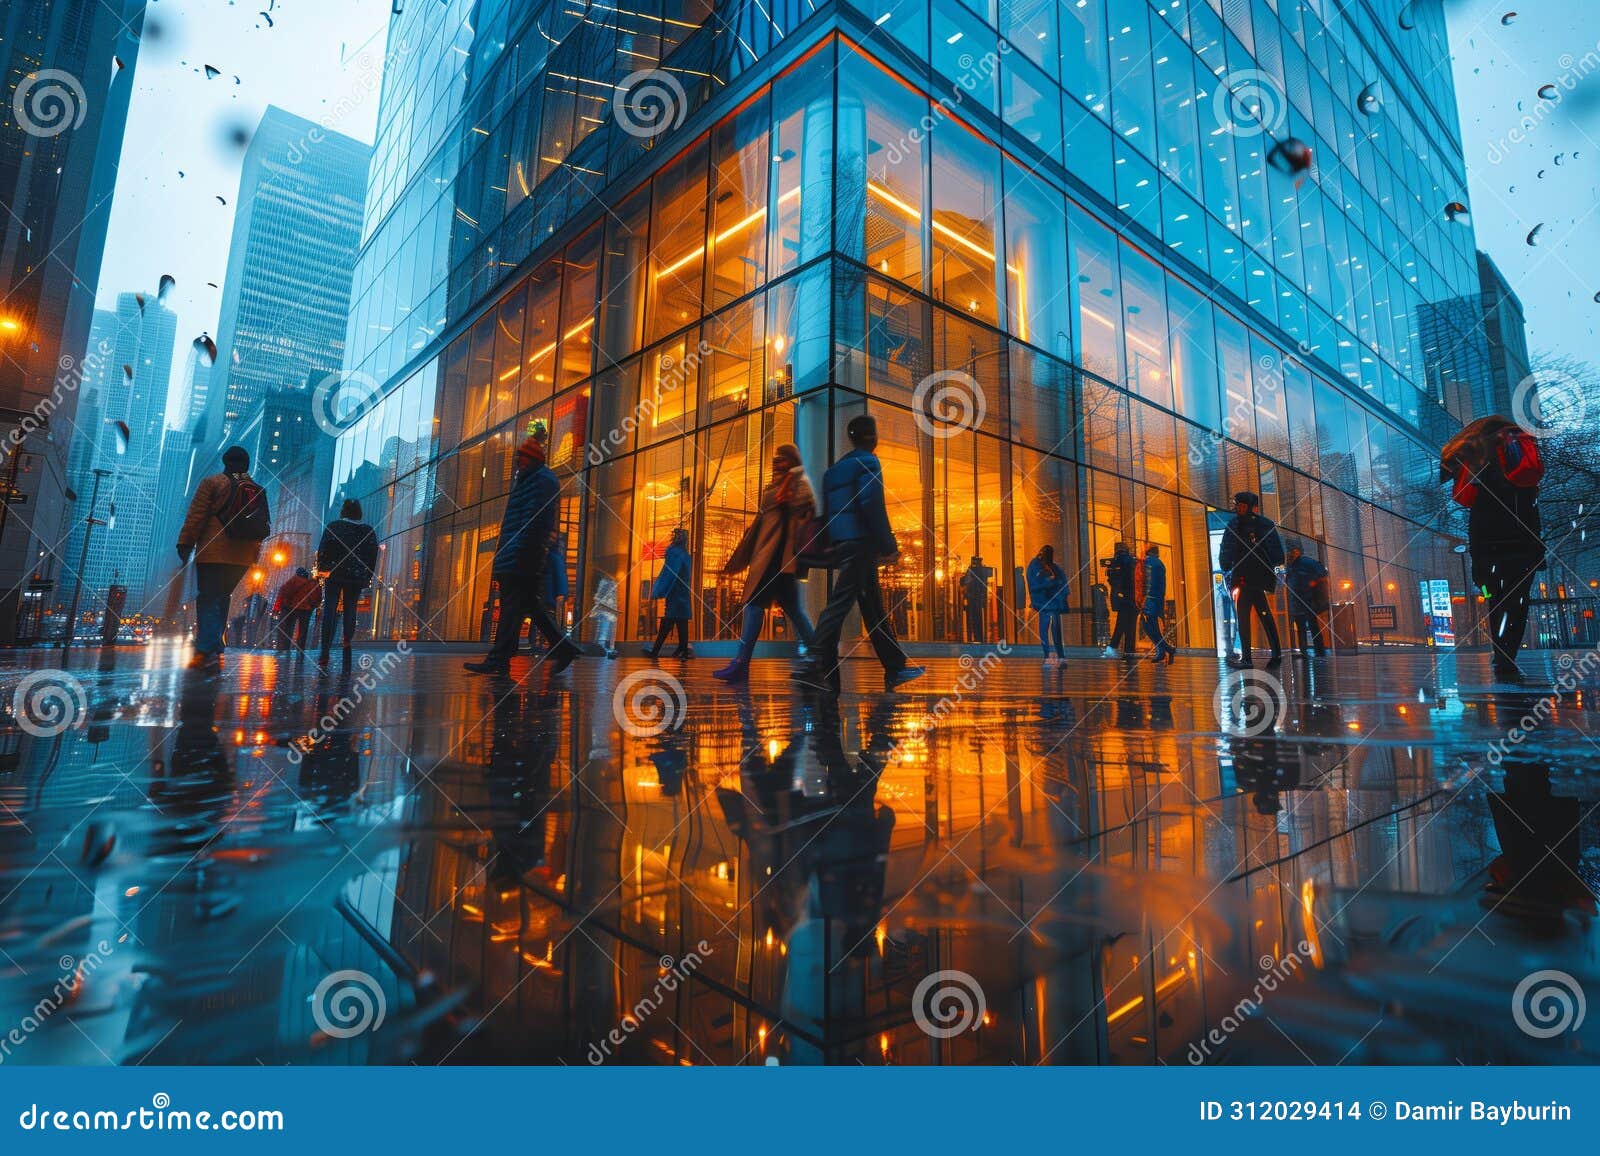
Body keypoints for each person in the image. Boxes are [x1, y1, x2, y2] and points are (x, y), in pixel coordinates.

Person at [796, 414, 924, 693]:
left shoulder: (833, 471)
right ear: (871, 436)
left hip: (845, 543)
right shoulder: (869, 463)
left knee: (873, 608)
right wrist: (889, 546)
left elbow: (830, 514)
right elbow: (872, 505)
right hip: (861, 545)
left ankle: (894, 668)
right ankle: (812, 661)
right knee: (840, 604)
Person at [465, 428, 580, 675]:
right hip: (518, 556)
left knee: (514, 607)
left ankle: (500, 659)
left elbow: (535, 522)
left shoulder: (541, 480)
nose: (518, 461)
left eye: (521, 457)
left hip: (523, 557)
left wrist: (521, 554)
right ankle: (561, 649)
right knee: (527, 607)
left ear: (531, 458)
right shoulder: (528, 480)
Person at [1441, 415, 1544, 683]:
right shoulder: (1519, 450)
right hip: (1521, 543)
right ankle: (1506, 657)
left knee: (1495, 599)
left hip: (1488, 546)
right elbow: (1531, 506)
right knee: (1517, 601)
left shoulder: (1474, 456)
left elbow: (1470, 505)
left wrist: (1477, 556)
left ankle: (1501, 656)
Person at [713, 443, 817, 681]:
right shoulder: (778, 486)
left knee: (754, 606)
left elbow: (800, 505)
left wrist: (795, 474)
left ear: (793, 461)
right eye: (776, 458)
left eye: (782, 458)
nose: (776, 462)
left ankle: (741, 664)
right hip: (773, 560)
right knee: (794, 611)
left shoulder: (798, 485)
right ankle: (820, 659)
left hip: (777, 560)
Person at [175, 445, 270, 670]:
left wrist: (185, 542)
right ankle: (215, 647)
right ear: (247, 465)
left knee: (208, 597)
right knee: (222, 596)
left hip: (214, 552)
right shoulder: (258, 489)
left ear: (225, 462)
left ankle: (206, 650)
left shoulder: (213, 483)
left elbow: (196, 515)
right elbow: (262, 525)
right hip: (242, 557)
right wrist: (254, 556)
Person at [1219, 491, 1285, 668]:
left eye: (1240, 505)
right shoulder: (1264, 524)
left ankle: (1248, 658)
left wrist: (1226, 565)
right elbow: (1277, 554)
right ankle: (1275, 654)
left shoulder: (1235, 525)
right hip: (1256, 576)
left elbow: (1227, 551)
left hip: (1245, 576)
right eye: (1237, 505)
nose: (1237, 508)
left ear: (1246, 506)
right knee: (1262, 614)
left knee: (1245, 616)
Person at [316, 499, 379, 668]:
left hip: (335, 573)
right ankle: (347, 642)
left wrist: (323, 568)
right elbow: (372, 555)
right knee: (351, 608)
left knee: (330, 608)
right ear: (359, 512)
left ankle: (325, 649)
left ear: (343, 511)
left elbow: (323, 549)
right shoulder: (367, 531)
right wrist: (368, 575)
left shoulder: (334, 526)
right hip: (356, 576)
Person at [646, 527, 694, 660]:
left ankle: (656, 651)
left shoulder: (673, 553)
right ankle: (682, 649)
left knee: (669, 620)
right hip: (682, 592)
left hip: (675, 592)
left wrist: (660, 590)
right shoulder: (685, 555)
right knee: (680, 620)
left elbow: (669, 573)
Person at [1283, 544, 1329, 657]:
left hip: (1305, 601)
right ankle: (1312, 650)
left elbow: (1322, 573)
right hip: (1300, 602)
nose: (1288, 555)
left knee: (1308, 626)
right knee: (1307, 627)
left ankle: (1314, 650)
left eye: (1290, 552)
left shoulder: (1303, 563)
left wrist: (1314, 584)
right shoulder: (1294, 565)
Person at [1025, 545, 1069, 664]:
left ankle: (1052, 655)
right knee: (1050, 628)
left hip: (1049, 603)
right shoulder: (1039, 566)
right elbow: (1036, 585)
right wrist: (1050, 582)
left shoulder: (1047, 566)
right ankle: (1053, 655)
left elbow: (1060, 582)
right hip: (1047, 602)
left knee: (1049, 628)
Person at [272, 566, 321, 655]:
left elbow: (283, 593)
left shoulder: (292, 581)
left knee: (288, 629)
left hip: (291, 608)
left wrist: (280, 607)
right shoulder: (313, 583)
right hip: (306, 610)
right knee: (303, 630)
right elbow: (317, 598)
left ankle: (285, 648)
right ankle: (300, 649)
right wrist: (312, 606)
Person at [1140, 544, 1176, 664]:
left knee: (1150, 627)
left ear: (1149, 552)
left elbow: (1147, 582)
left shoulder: (1148, 563)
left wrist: (1143, 599)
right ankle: (1162, 650)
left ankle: (1167, 649)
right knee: (1151, 626)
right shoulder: (1159, 564)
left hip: (1150, 599)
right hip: (1156, 599)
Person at [1103, 541, 1137, 657]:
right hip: (1132, 597)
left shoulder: (1116, 562)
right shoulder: (1131, 561)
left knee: (1122, 622)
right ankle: (1128, 650)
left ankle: (1114, 647)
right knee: (1129, 625)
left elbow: (1112, 580)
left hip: (1122, 598)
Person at [960, 556, 989, 643]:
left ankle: (975, 636)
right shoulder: (982, 571)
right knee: (978, 617)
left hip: (972, 597)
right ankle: (979, 636)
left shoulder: (972, 570)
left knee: (973, 618)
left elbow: (965, 581)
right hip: (978, 597)